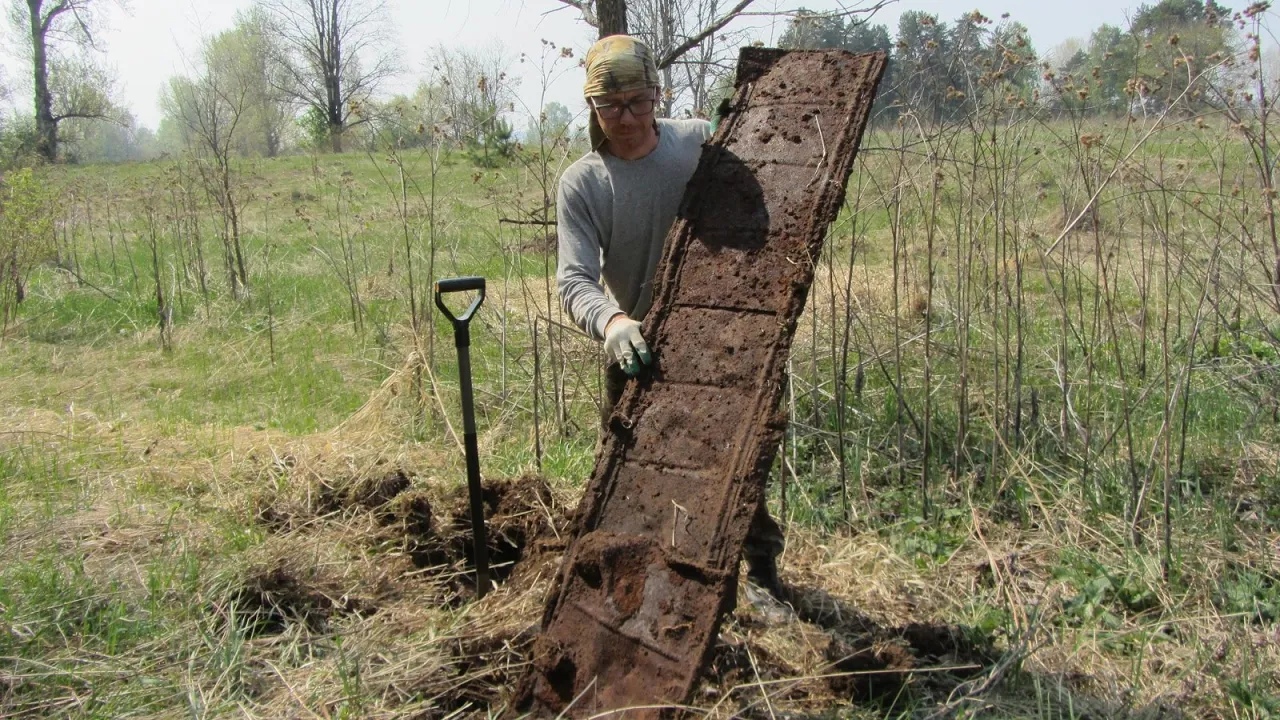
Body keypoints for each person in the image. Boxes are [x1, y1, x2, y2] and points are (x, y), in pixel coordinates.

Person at [555, 34, 786, 599]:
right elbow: (574, 279)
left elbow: (770, 191)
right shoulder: (583, 183)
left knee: (735, 465)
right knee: (634, 478)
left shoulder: (698, 142)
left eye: (636, 100)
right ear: (591, 106)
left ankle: (759, 577)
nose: (625, 117)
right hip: (639, 352)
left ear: (658, 95)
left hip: (720, 338)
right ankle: (645, 587)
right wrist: (612, 324)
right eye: (610, 105)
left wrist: (749, 128)